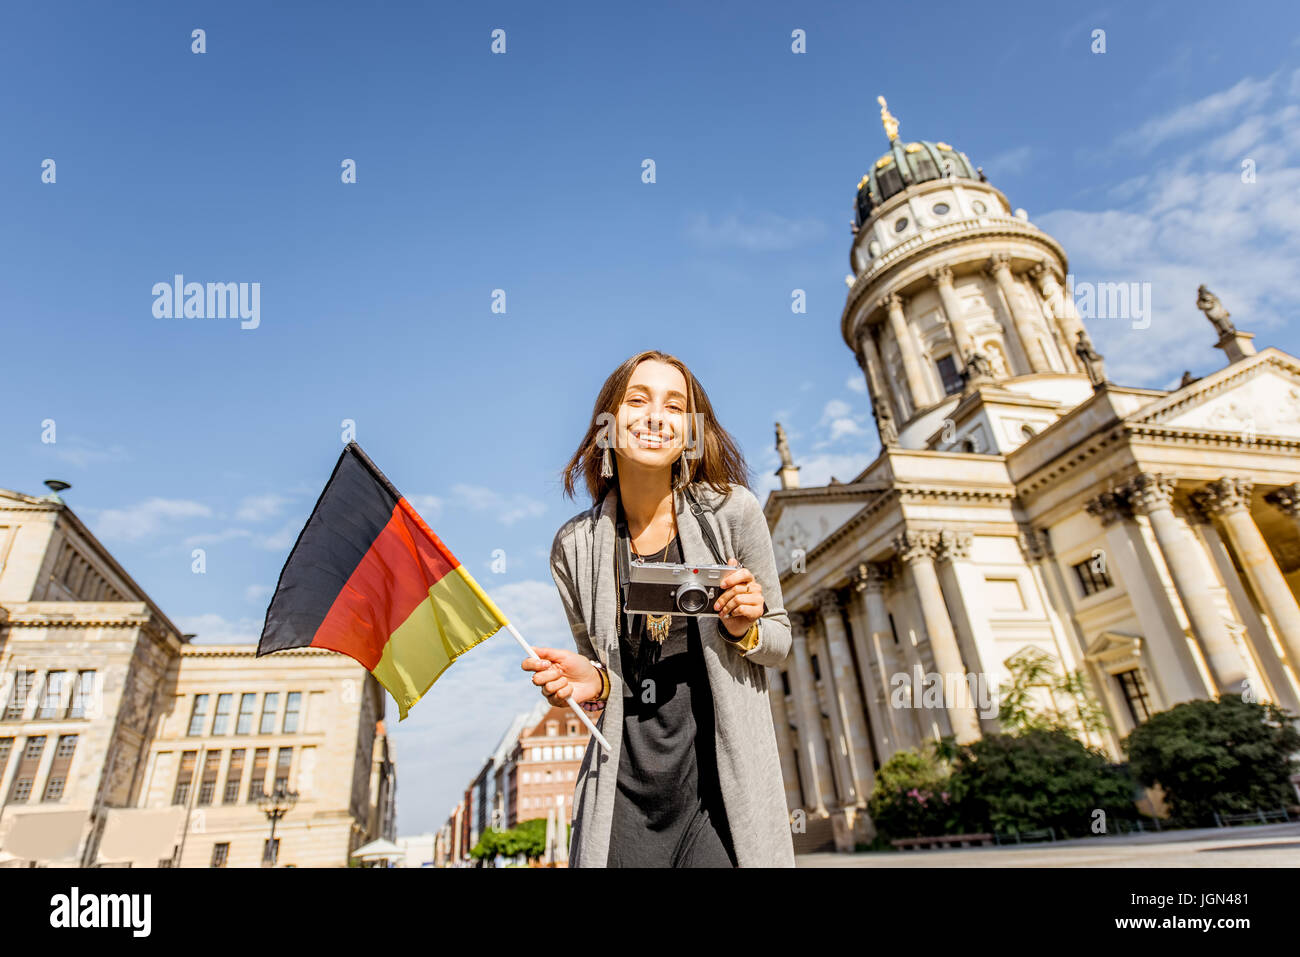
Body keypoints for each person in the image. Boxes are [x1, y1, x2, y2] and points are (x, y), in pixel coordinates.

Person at [521, 350, 795, 867]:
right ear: (607, 422)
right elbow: (608, 680)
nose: (655, 417)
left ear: (692, 430)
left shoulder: (732, 511)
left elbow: (778, 641)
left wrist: (744, 629)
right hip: (624, 793)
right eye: (637, 399)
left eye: (674, 405)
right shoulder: (573, 546)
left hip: (718, 794)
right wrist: (592, 683)